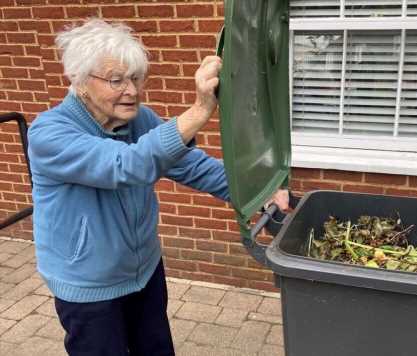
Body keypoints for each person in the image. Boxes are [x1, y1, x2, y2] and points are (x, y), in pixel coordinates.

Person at [27, 19, 288, 356]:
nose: (132, 91)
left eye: (136, 78)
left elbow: (191, 165)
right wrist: (199, 111)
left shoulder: (137, 119)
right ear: (79, 82)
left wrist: (258, 192)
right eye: (116, 80)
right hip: (88, 284)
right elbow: (126, 165)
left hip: (144, 271)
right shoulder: (49, 134)